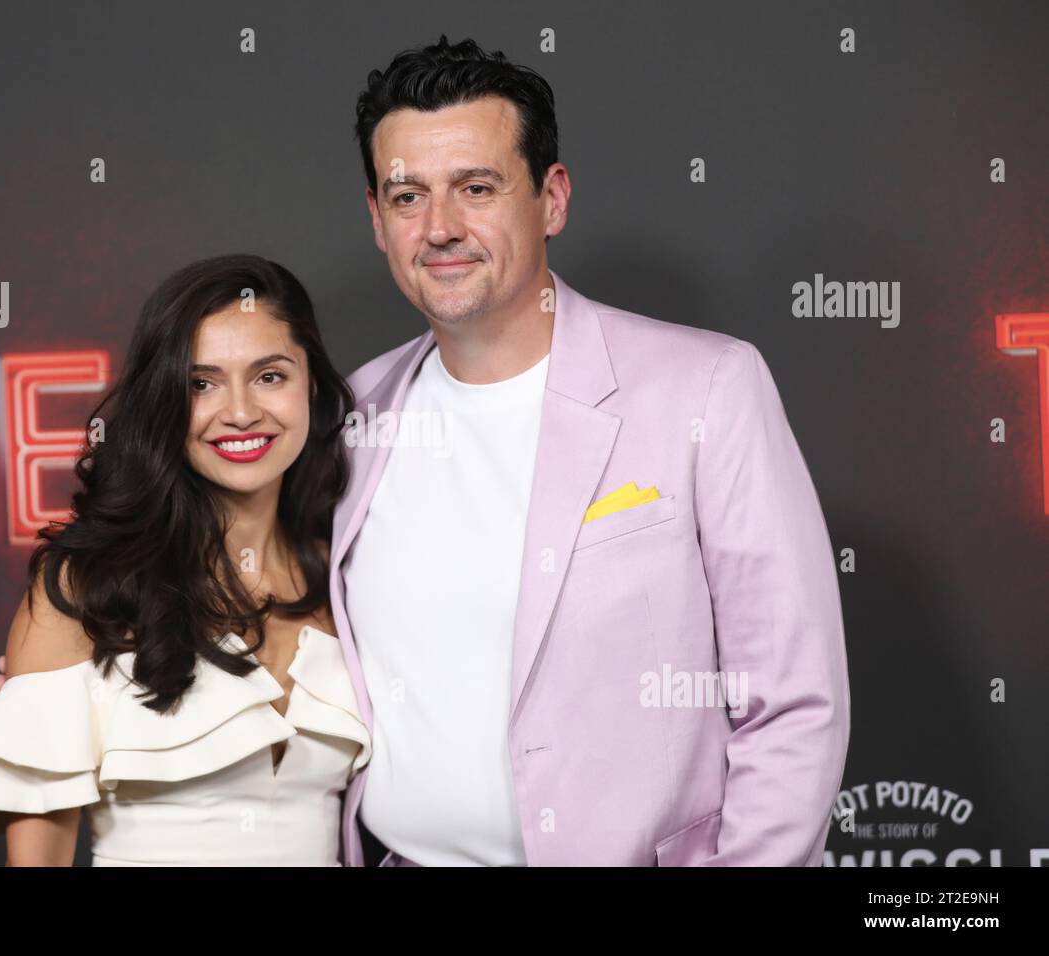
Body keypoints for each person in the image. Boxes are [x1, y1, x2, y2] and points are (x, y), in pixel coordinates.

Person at [328, 36, 851, 866]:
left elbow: (793, 703)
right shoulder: (352, 416)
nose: (440, 228)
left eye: (476, 187)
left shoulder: (708, 387)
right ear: (377, 221)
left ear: (552, 197)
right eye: (407, 197)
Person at [0, 254, 369, 865]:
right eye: (202, 383)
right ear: (163, 402)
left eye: (270, 376)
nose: (241, 412)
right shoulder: (83, 585)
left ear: (313, 387)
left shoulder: (349, 579)